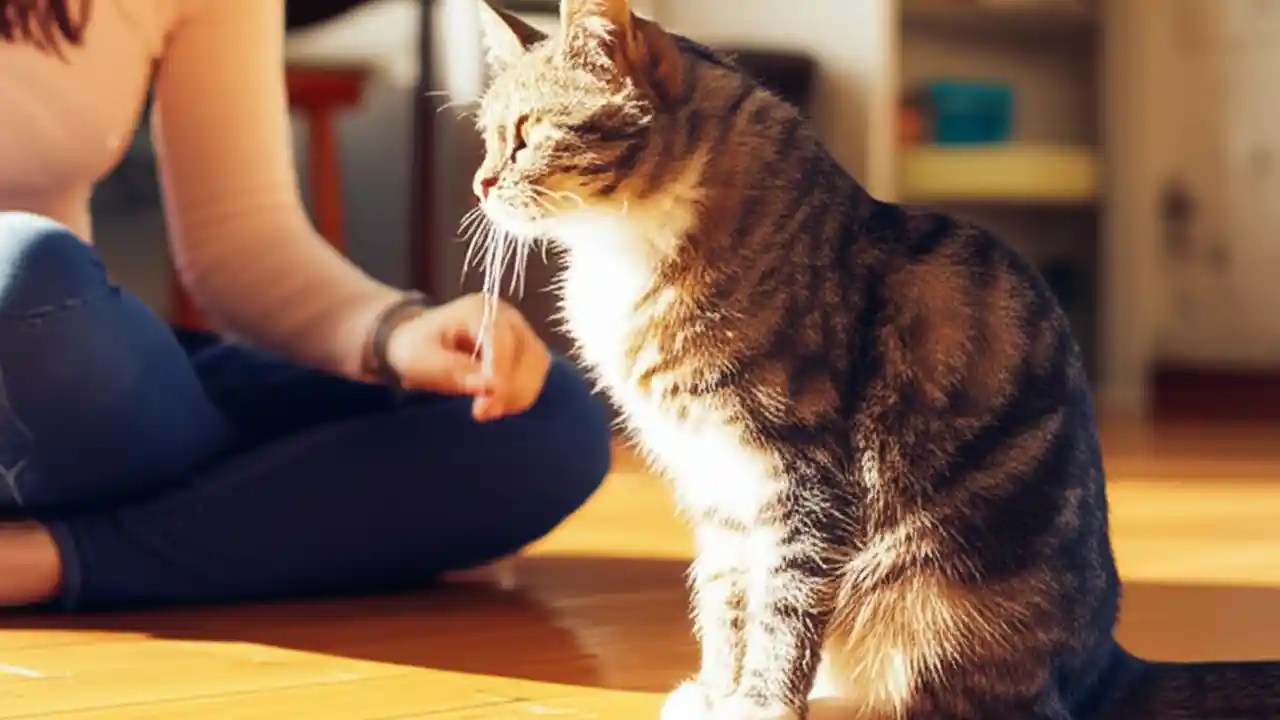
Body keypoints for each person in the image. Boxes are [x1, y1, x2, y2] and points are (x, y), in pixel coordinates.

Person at [0, 0, 611, 610]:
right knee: (27, 270)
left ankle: (41, 561)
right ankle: (220, 519)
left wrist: (392, 333)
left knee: (544, 417)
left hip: (68, 376)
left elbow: (240, 238)